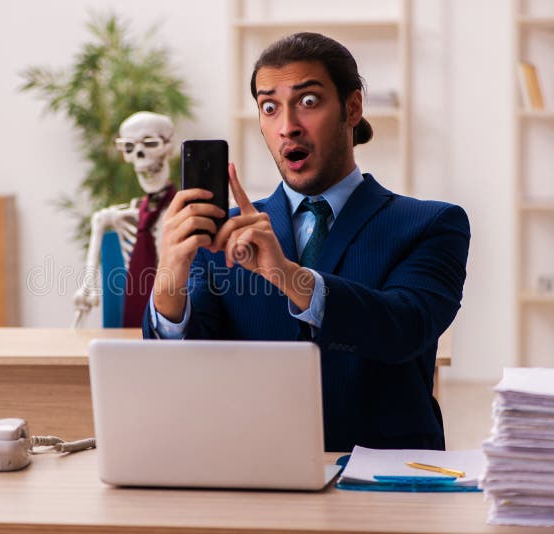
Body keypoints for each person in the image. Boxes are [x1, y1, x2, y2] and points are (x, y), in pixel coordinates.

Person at [142, 32, 470, 452]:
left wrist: (287, 275)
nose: (287, 126)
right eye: (269, 107)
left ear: (352, 108)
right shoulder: (221, 237)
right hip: (256, 465)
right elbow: (185, 367)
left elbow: (404, 328)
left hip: (383, 472)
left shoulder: (431, 224)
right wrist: (168, 278)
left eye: (308, 101)